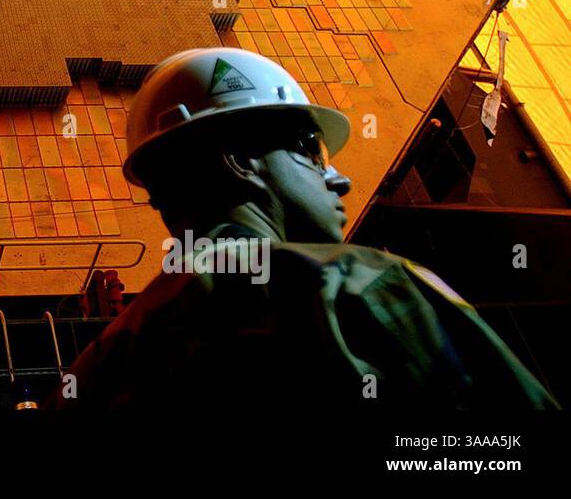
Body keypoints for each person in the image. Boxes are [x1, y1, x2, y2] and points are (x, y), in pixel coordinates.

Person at [53, 47, 557, 409]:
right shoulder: (354, 288)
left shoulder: (94, 371)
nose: (340, 177)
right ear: (241, 162)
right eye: (311, 151)